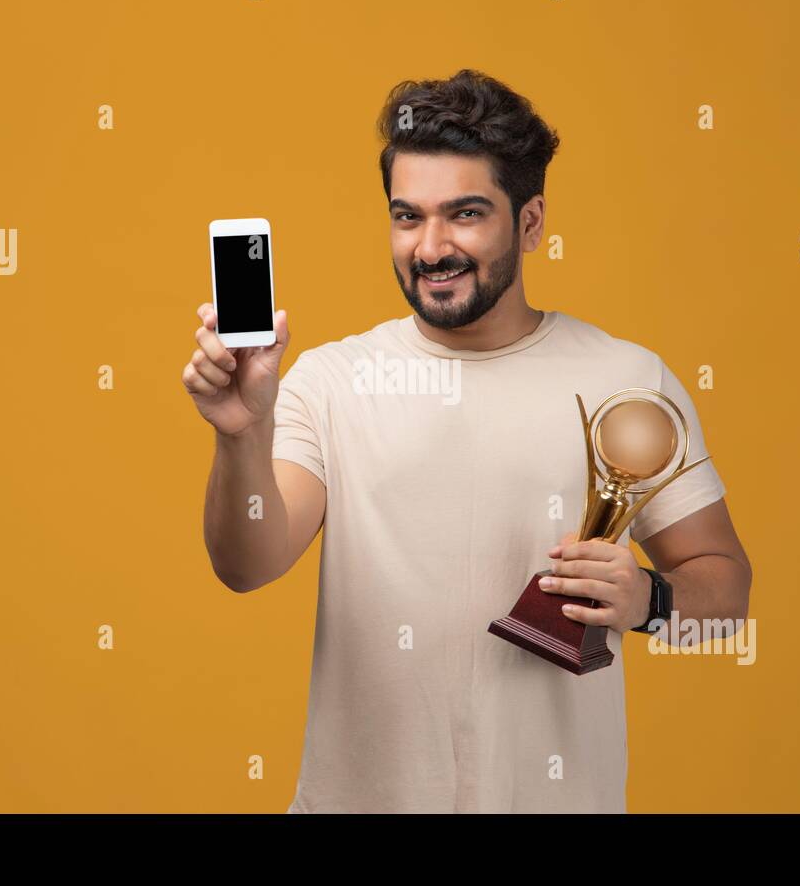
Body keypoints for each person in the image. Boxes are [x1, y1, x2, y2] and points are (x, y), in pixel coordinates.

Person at [184, 69, 752, 813]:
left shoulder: (627, 378)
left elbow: (727, 594)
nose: (431, 247)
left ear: (532, 222)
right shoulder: (330, 380)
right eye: (407, 216)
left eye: (465, 214)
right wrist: (241, 435)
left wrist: (649, 598)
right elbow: (246, 565)